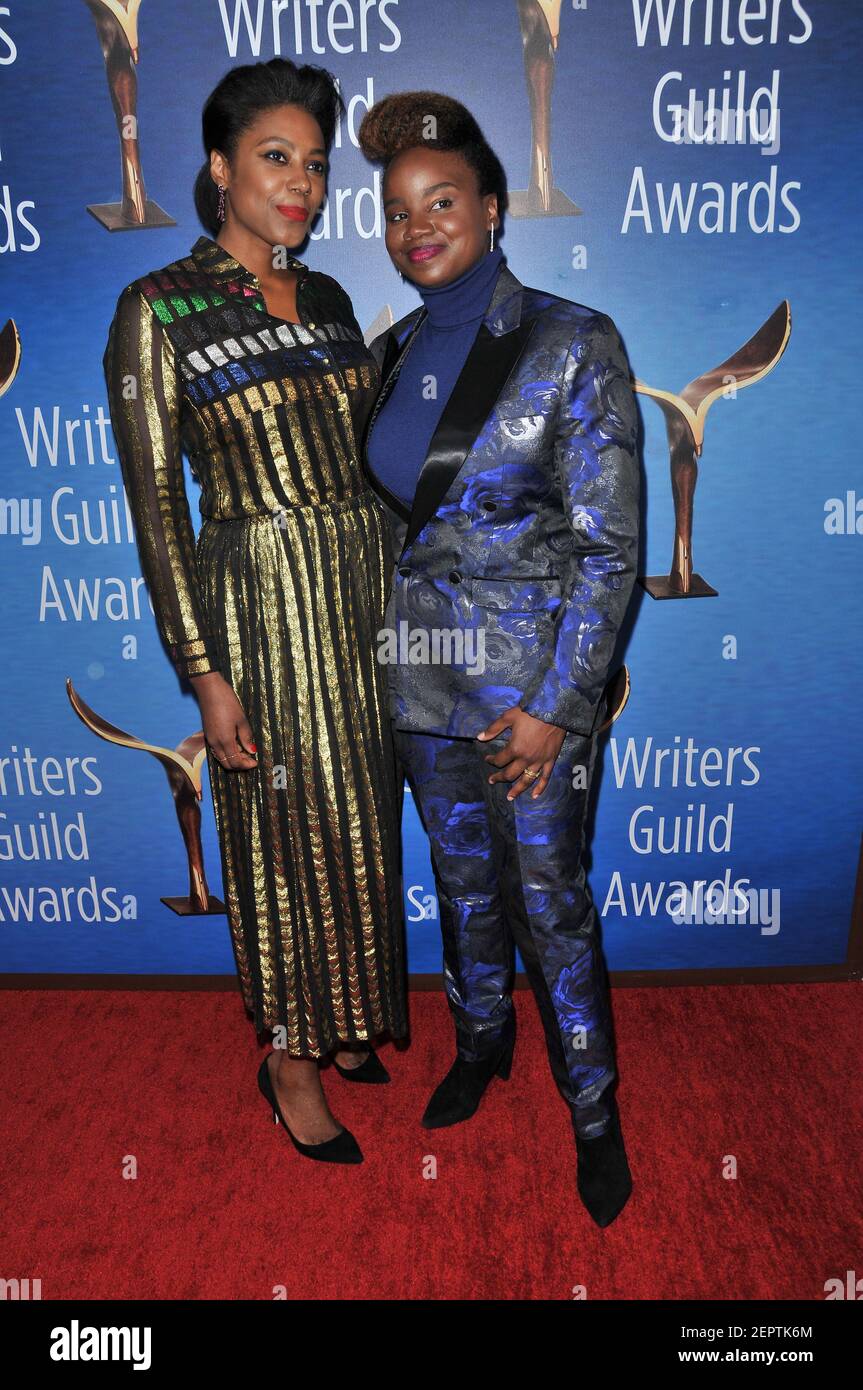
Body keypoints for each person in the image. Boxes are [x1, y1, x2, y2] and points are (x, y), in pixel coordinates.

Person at [102, 59, 408, 1165]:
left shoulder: (325, 298)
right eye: (276, 158)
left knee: (363, 818)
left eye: (316, 164)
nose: (301, 184)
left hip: (359, 590)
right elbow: (155, 509)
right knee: (285, 832)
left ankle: (348, 1012)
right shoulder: (158, 311)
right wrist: (202, 667)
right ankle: (289, 1057)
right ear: (221, 168)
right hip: (258, 600)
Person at [358, 92, 640, 1225]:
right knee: (461, 885)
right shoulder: (383, 355)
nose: (416, 225)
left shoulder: (570, 340)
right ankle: (480, 1042)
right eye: (393, 211)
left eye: (439, 202)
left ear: (489, 208)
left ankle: (593, 1110)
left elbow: (610, 546)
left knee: (548, 901)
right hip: (419, 681)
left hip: (526, 698)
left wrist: (558, 708)